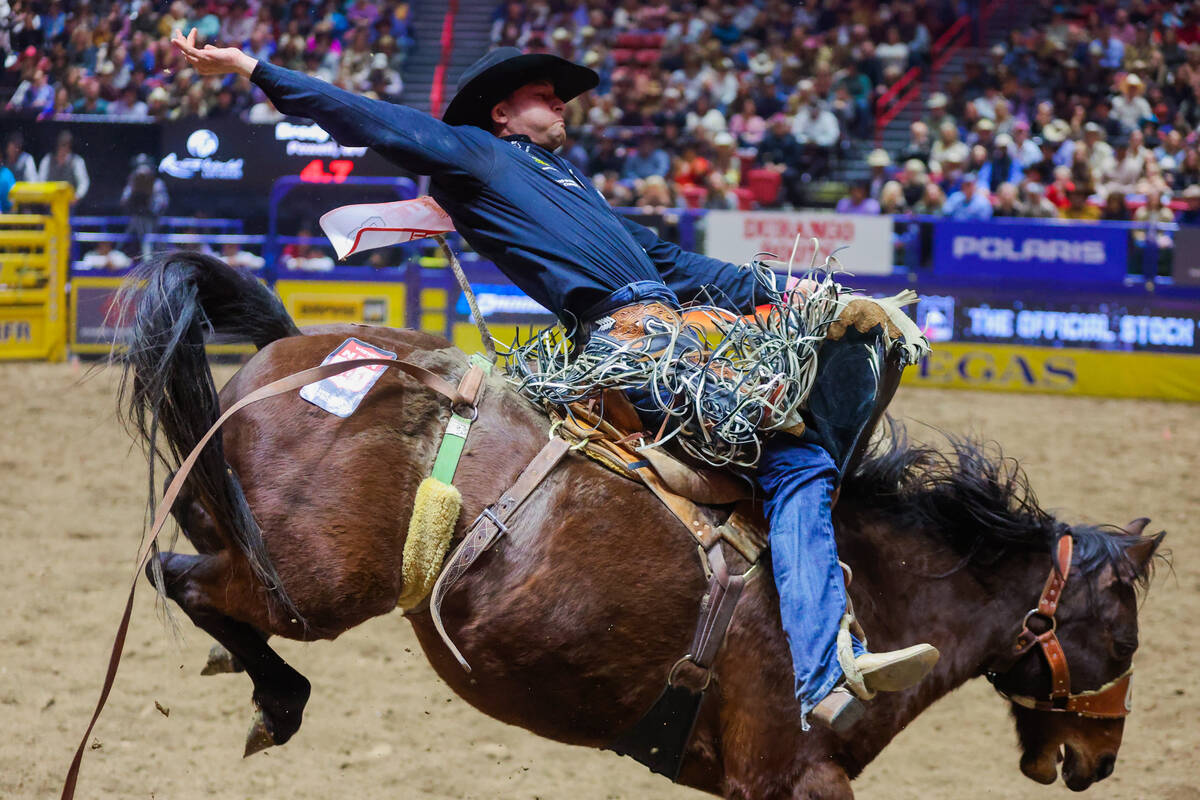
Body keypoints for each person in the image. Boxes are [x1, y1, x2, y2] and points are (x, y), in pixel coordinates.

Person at [172, 30, 938, 731]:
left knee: (814, 425)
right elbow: (371, 119)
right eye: (545, 93)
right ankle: (821, 667)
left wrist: (801, 293)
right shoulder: (477, 153)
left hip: (677, 339)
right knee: (798, 460)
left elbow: (677, 264)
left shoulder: (572, 185)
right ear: (503, 112)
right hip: (639, 350)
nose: (562, 102)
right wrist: (253, 68)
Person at [120, 154, 170, 258]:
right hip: (134, 220)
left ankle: (149, 260)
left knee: (149, 244)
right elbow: (123, 201)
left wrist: (150, 201)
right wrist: (134, 194)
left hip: (152, 221)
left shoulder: (157, 184)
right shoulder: (131, 184)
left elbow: (163, 203)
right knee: (123, 244)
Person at [37, 129, 89, 205]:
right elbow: (40, 180)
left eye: (66, 144)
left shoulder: (77, 161)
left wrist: (77, 196)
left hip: (69, 202)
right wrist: (44, 196)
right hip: (50, 201)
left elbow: (84, 182)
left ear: (70, 145)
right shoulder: (48, 159)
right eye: (62, 143)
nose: (63, 147)